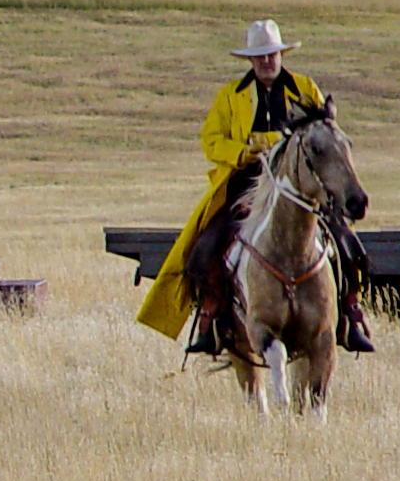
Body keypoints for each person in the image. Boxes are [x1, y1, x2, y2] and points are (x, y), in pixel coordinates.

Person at [135, 20, 376, 357]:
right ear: (250, 60)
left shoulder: (306, 89)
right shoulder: (229, 96)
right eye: (260, 56)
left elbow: (326, 135)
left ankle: (350, 314)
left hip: (300, 184)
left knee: (349, 245)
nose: (267, 62)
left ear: (281, 54)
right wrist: (242, 150)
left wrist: (271, 142)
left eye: (272, 54)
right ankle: (212, 320)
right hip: (246, 182)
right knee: (205, 247)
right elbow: (211, 140)